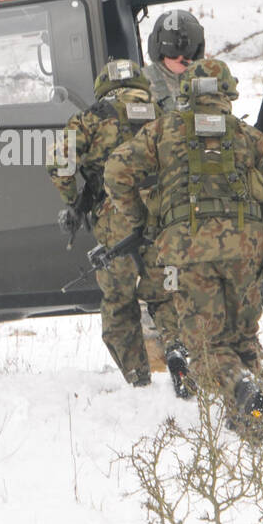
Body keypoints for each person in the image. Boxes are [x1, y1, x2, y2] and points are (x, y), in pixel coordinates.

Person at [104, 59, 263, 435]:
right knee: (244, 339)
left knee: (207, 347)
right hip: (246, 252)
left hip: (189, 253)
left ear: (186, 93)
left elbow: (116, 171)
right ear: (228, 94)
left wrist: (139, 219)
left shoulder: (163, 130)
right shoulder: (250, 137)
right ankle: (257, 421)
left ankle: (243, 391)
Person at [49, 59, 176, 387]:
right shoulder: (164, 115)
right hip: (163, 220)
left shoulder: (90, 118)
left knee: (119, 302)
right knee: (166, 295)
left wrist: (71, 200)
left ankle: (138, 382)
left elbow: (59, 162)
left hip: (115, 221)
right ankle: (180, 357)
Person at [143, 10, 206, 112]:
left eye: (189, 51)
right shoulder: (142, 83)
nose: (181, 57)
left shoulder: (207, 81)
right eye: (172, 51)